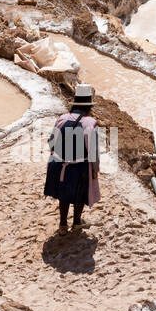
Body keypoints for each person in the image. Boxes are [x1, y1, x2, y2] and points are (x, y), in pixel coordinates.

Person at [43, 83, 101, 234]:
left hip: (59, 164)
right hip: (80, 167)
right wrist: (95, 169)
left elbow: (51, 142)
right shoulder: (90, 123)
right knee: (79, 196)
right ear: (89, 106)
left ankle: (62, 225)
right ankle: (76, 222)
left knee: (64, 195)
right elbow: (93, 151)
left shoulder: (61, 118)